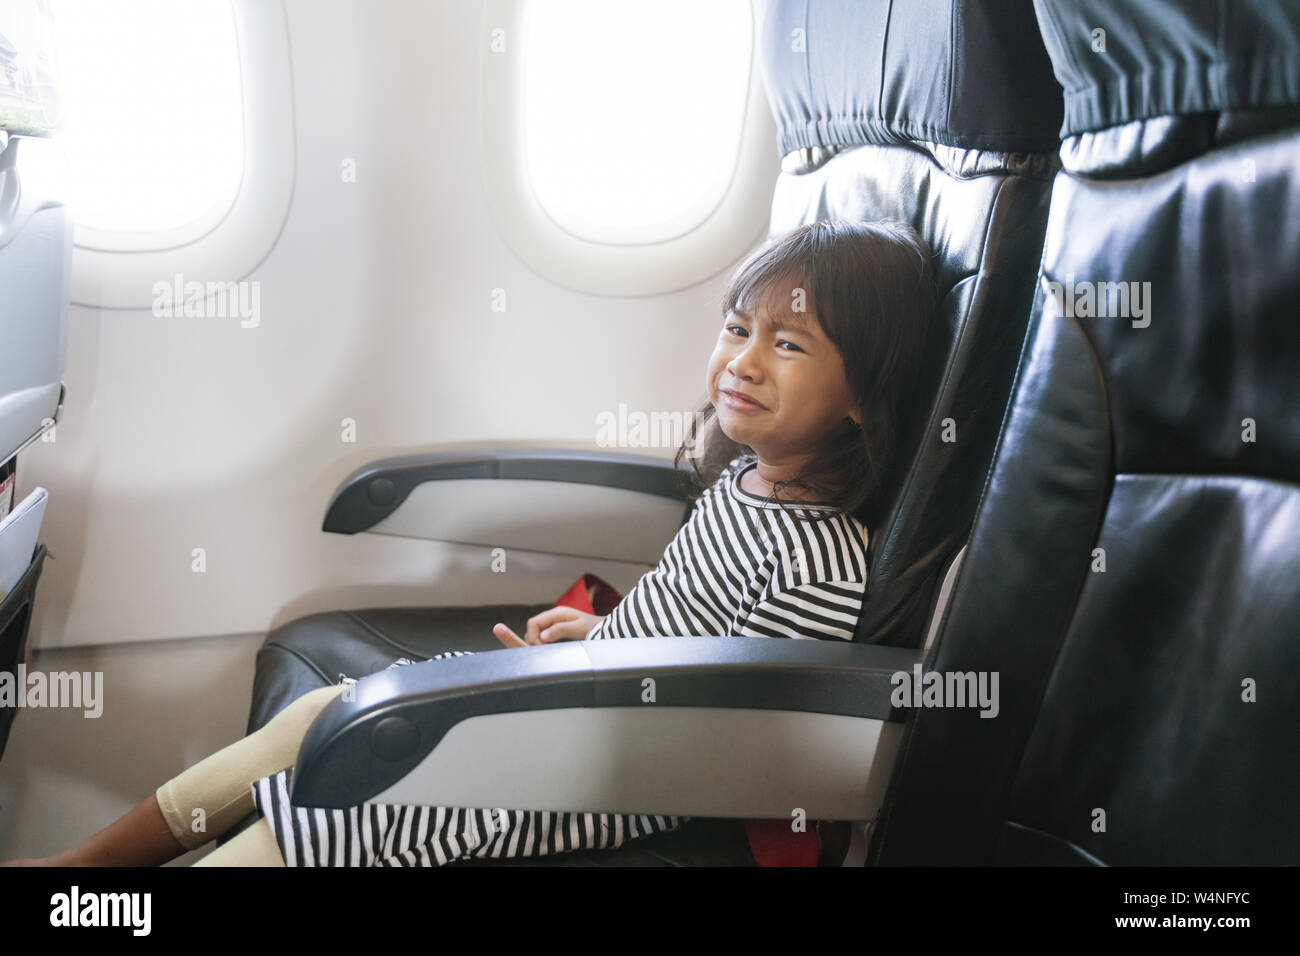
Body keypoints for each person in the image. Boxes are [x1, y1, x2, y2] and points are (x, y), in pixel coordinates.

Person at [3, 218, 937, 866]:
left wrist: (595, 684)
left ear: (864, 399)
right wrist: (604, 643)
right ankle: (87, 866)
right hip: (595, 702)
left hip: (616, 765)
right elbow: (694, 619)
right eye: (738, 328)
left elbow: (761, 735)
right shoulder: (745, 485)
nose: (741, 360)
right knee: (323, 718)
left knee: (353, 798)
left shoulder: (822, 561)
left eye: (789, 344)